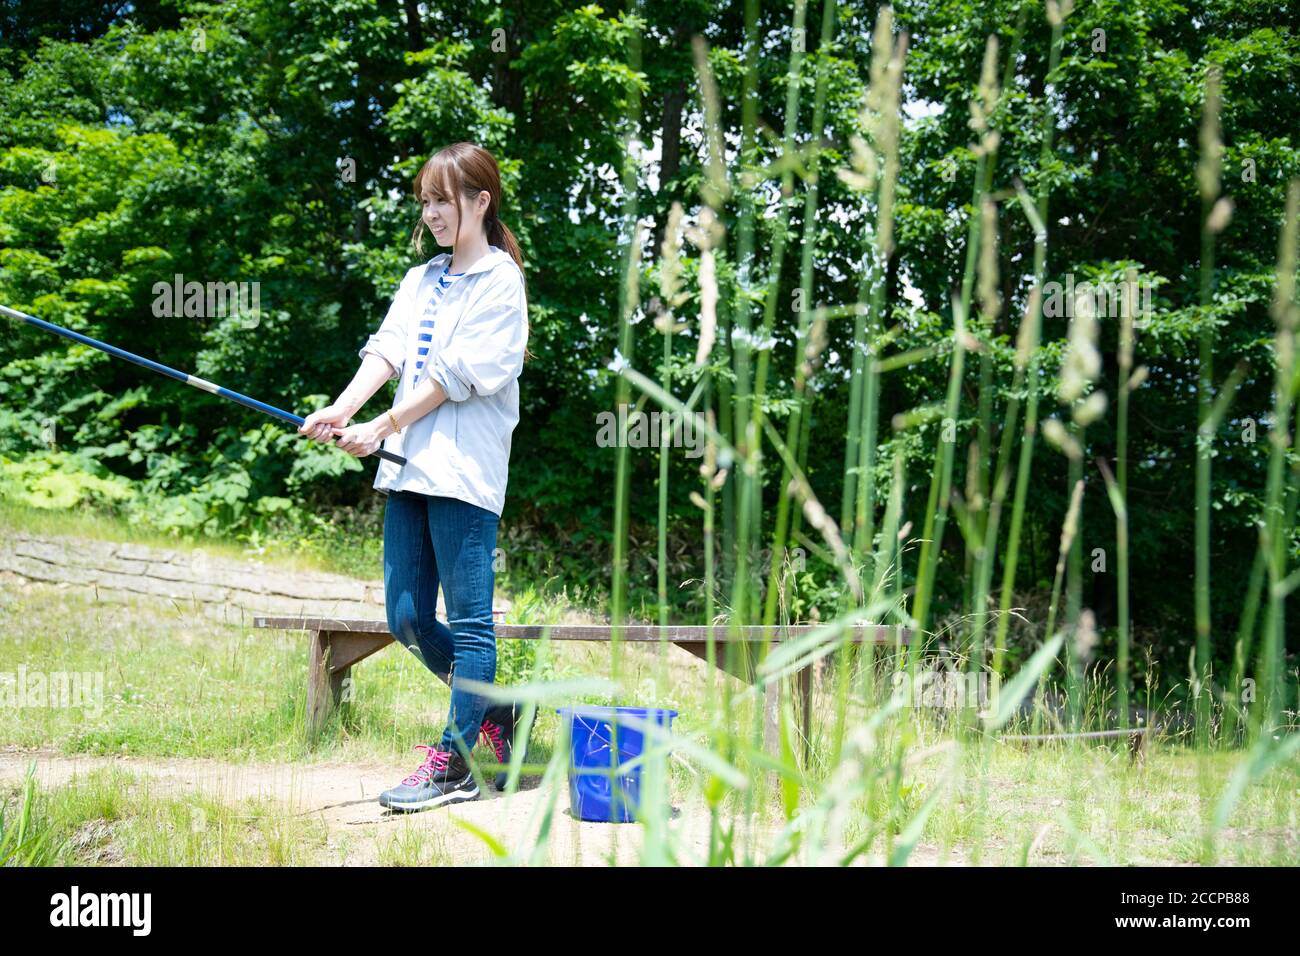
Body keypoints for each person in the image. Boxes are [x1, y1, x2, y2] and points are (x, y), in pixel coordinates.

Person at [299, 142, 530, 811]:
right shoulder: (422, 277)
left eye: (442, 199)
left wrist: (383, 427)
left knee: (470, 623)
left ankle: (454, 763)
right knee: (404, 617)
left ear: (480, 201)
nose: (430, 212)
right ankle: (498, 712)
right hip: (408, 472)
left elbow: (455, 374)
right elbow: (391, 349)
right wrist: (343, 410)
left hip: (462, 473)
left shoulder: (500, 281)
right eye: (424, 200)